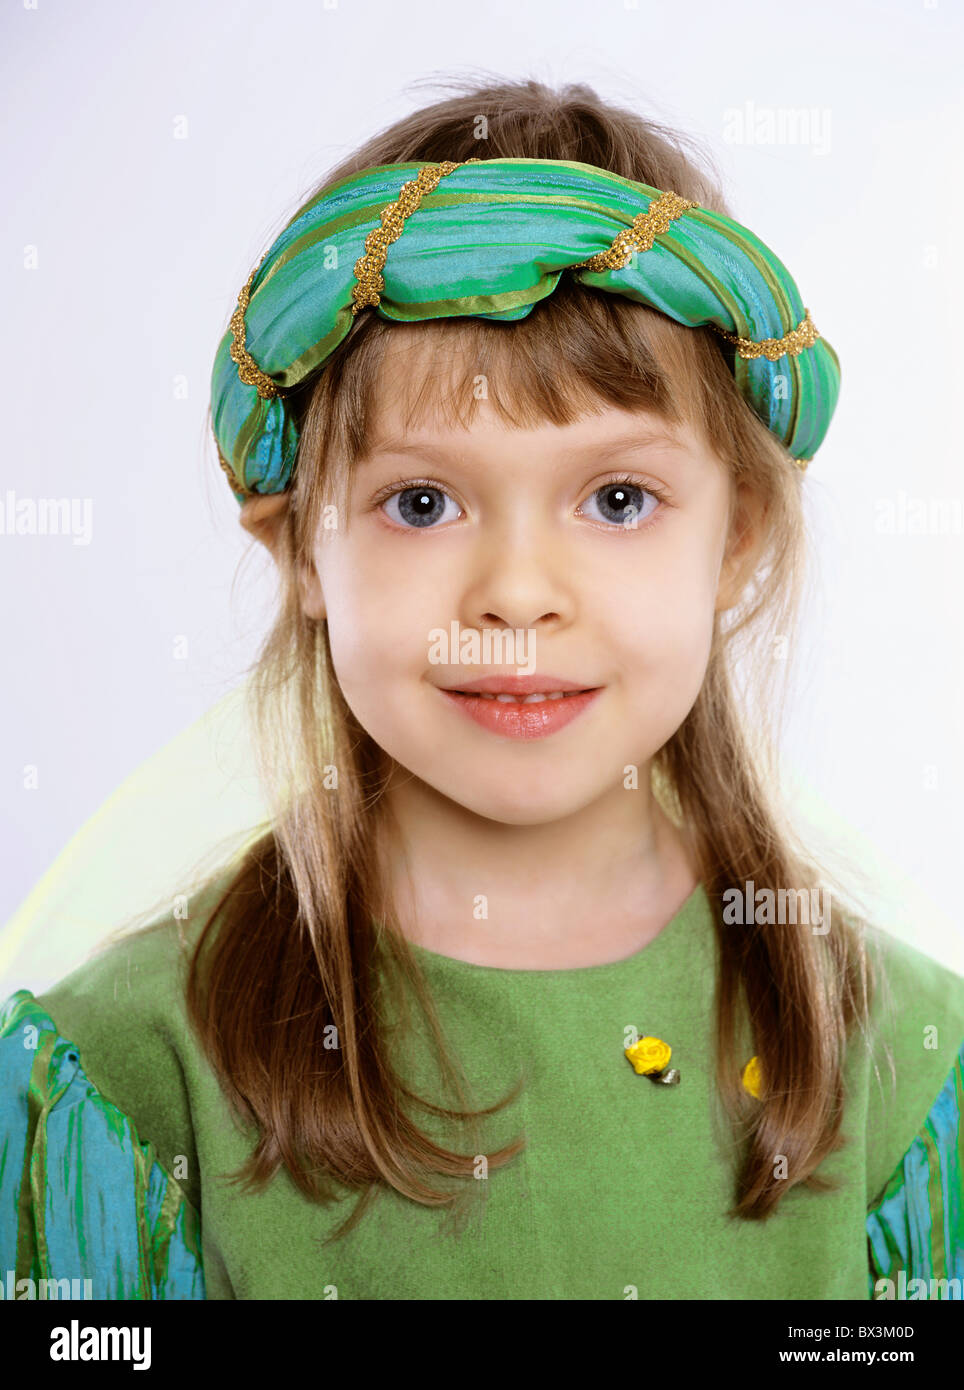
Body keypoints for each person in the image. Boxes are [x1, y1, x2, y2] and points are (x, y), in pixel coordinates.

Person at [1, 76, 961, 1302]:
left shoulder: (905, 1065)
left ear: (739, 541)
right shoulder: (126, 1075)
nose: (515, 592)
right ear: (302, 549)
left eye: (617, 499)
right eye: (422, 502)